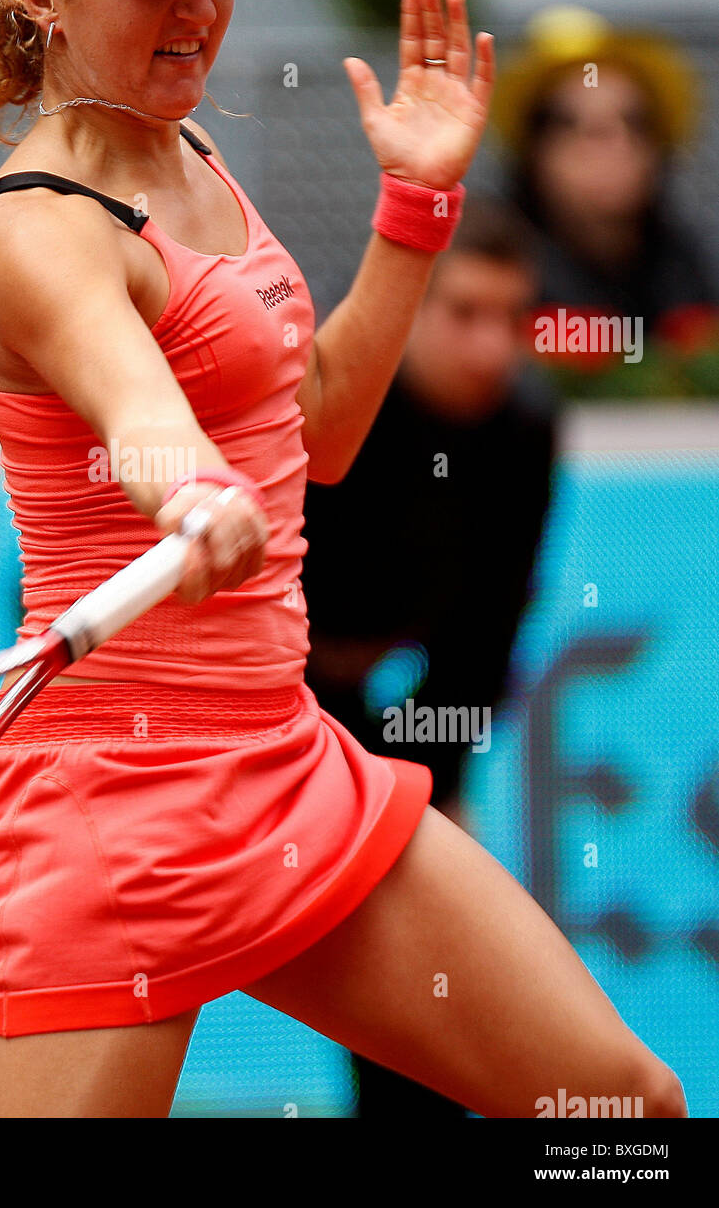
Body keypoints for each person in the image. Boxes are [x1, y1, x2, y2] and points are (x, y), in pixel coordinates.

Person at [0, 0, 686, 1119]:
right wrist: (189, 491)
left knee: (622, 1108)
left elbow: (319, 427)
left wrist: (413, 211)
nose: (195, 5)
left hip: (285, 763)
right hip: (117, 805)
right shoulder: (34, 229)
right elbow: (138, 408)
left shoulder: (195, 159)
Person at [300, 195, 557, 1117]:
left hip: (386, 704)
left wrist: (422, 789)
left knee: (424, 975)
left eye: (513, 319)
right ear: (399, 307)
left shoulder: (523, 430)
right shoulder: (305, 396)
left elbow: (485, 636)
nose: (493, 347)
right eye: (463, 314)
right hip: (238, 700)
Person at [491, 5, 719, 331]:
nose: (611, 146)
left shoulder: (695, 269)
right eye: (572, 124)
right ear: (534, 150)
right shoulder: (489, 280)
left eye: (633, 122)